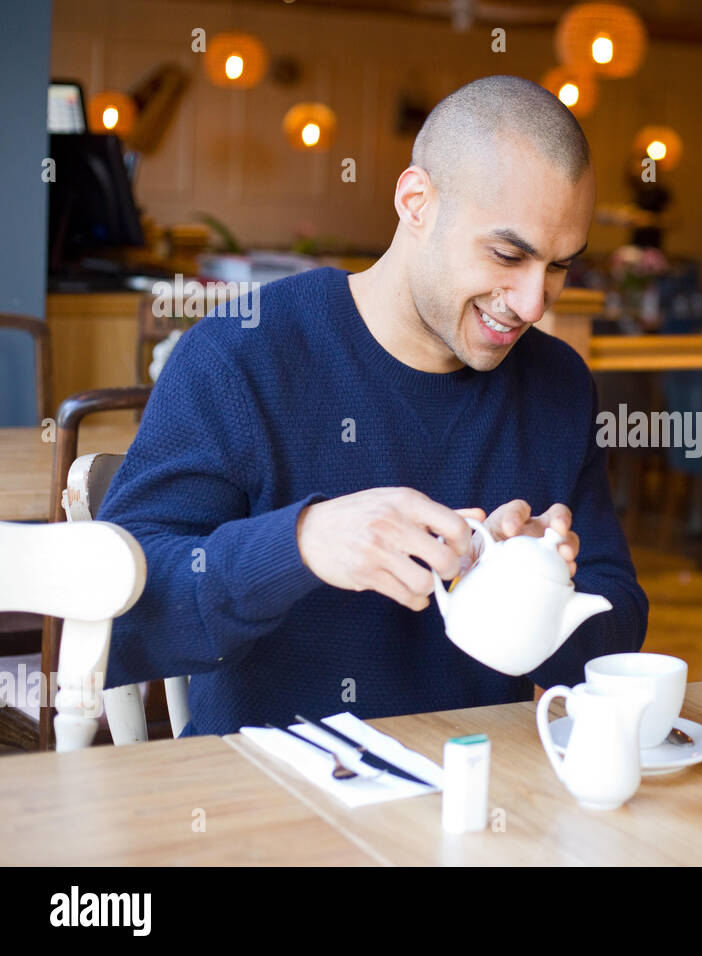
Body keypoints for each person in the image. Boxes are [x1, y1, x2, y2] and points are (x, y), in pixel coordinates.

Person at [99, 75, 649, 736]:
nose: (533, 304)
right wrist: (301, 544)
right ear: (416, 203)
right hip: (270, 806)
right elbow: (119, 621)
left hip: (482, 799)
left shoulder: (557, 384)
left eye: (560, 266)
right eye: (508, 254)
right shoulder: (242, 354)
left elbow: (615, 634)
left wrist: (531, 590)